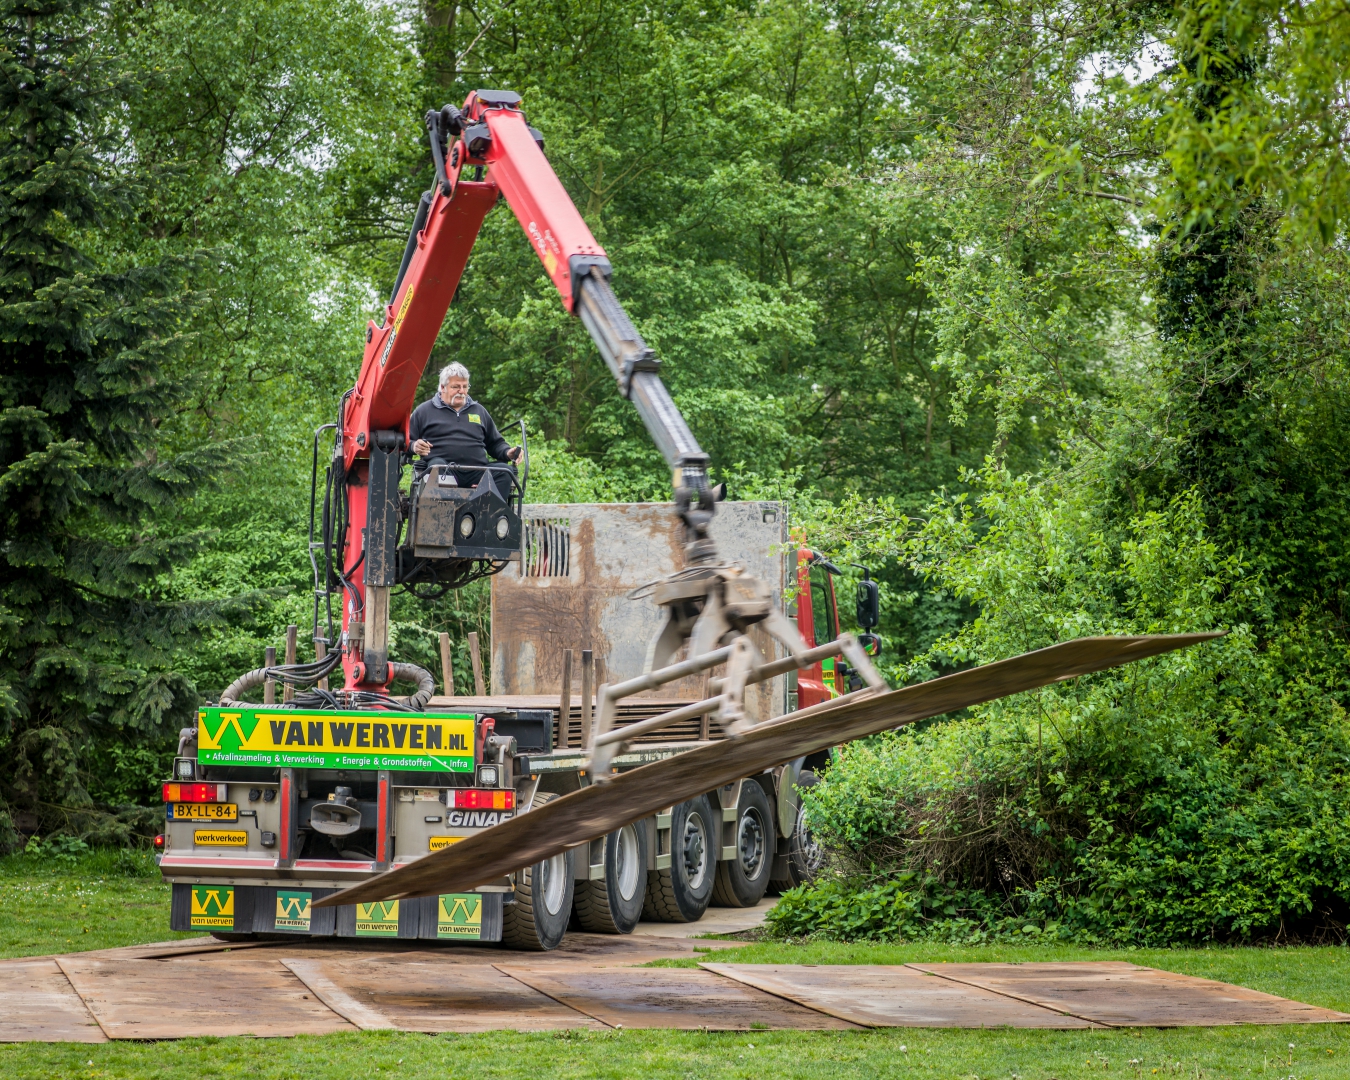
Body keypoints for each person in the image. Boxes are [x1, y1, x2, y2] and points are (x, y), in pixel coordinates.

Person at [409, 363, 521, 487]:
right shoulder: (424, 411)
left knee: (505, 471)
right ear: (442, 387)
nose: (461, 391)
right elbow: (406, 442)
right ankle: (454, 504)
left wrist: (507, 452)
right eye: (456, 387)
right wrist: (414, 446)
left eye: (465, 386)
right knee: (436, 467)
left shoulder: (479, 411)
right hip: (444, 470)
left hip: (478, 471)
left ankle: (481, 502)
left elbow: (495, 443)